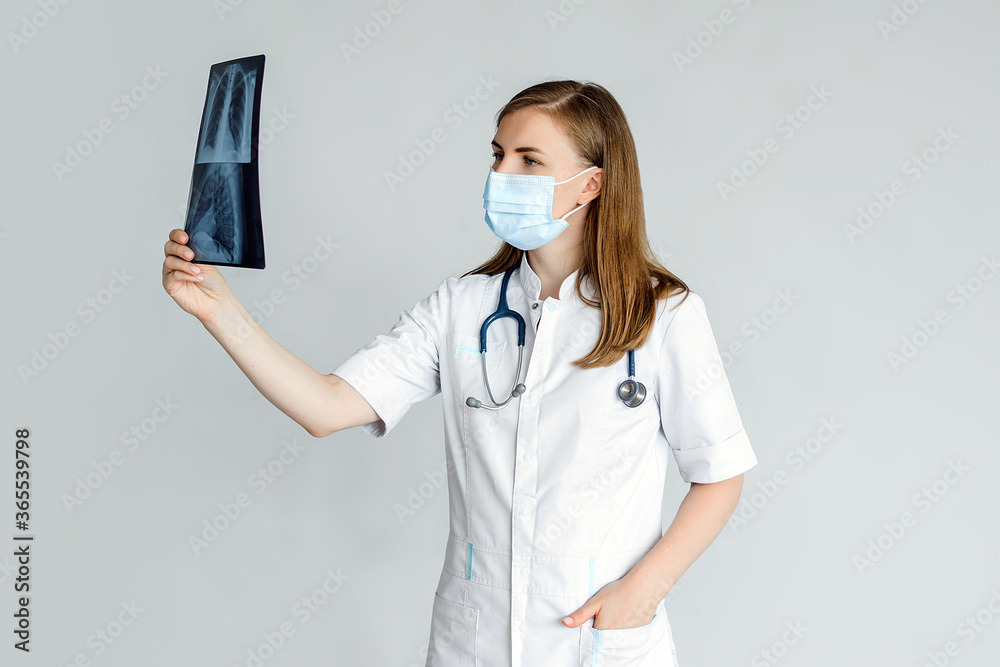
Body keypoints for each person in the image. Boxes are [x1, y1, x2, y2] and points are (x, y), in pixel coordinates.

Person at [161, 79, 758, 667]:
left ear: (591, 185)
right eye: (498, 156)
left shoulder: (664, 316)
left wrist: (642, 593)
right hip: (473, 641)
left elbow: (720, 475)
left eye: (529, 160)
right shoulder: (462, 308)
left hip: (600, 642)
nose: (503, 176)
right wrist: (219, 309)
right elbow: (325, 407)